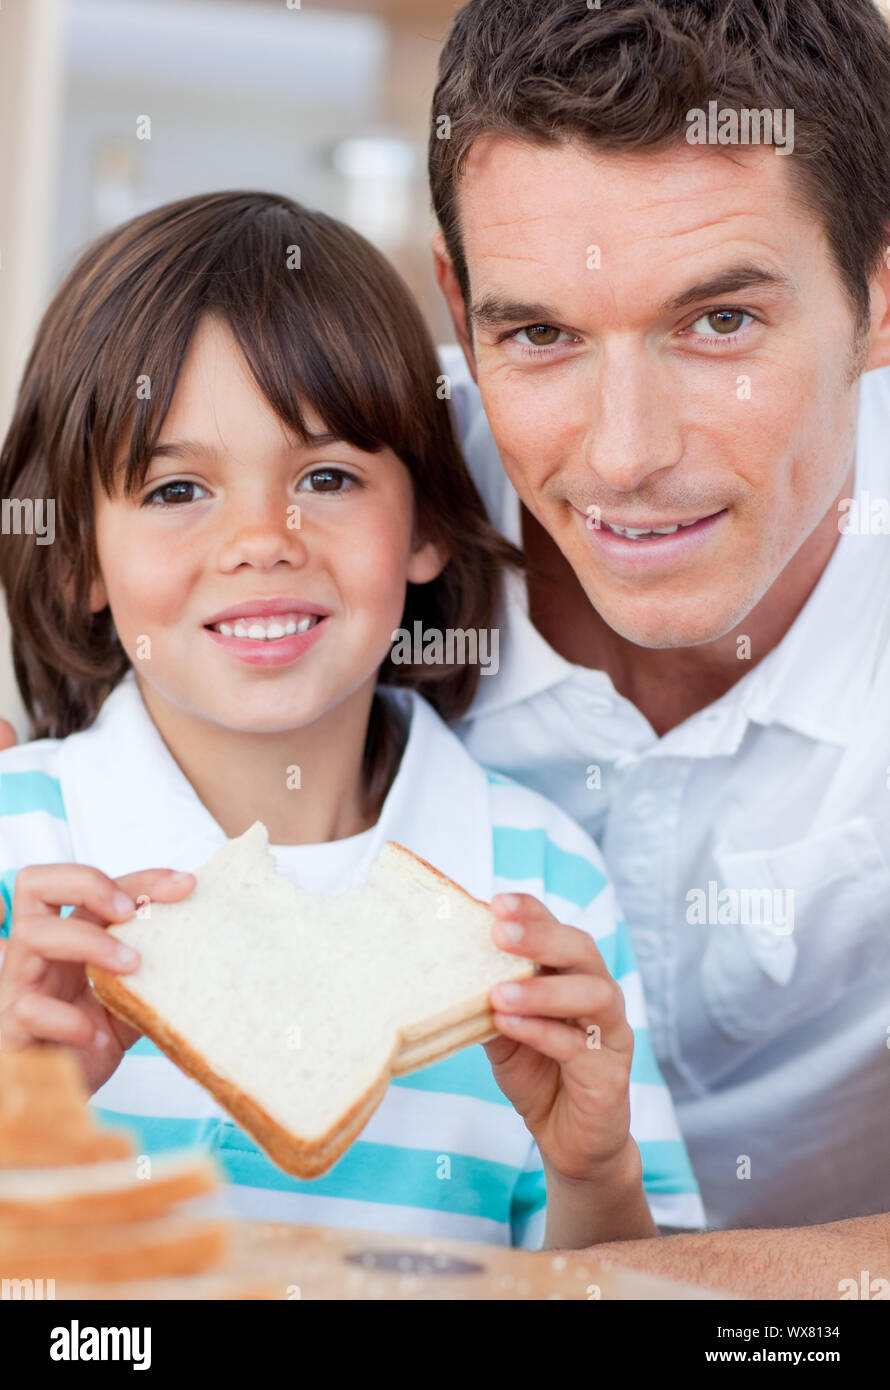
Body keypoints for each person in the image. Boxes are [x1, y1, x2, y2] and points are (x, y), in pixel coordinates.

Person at [0, 190, 702, 1249]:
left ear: (423, 524)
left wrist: (592, 1167)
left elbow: (643, 1291)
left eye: (325, 477)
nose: (261, 540)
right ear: (77, 559)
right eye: (176, 489)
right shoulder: (20, 856)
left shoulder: (542, 883)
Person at [425, 0, 890, 1295]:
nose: (624, 454)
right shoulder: (338, 535)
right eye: (539, 335)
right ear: (458, 309)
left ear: (876, 292)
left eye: (719, 322)